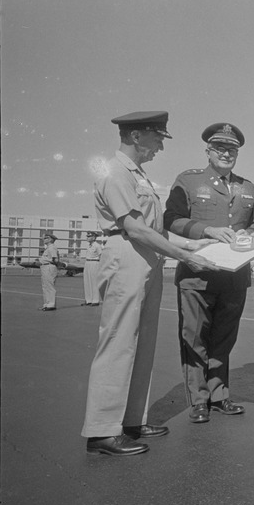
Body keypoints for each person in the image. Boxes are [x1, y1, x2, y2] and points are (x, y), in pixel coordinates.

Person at [82, 111, 217, 457]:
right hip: (127, 255)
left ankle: (131, 421)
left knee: (141, 344)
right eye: (157, 138)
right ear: (136, 136)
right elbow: (136, 228)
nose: (160, 146)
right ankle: (102, 430)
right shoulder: (115, 172)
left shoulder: (136, 175)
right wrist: (184, 257)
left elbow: (153, 230)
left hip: (146, 257)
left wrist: (192, 245)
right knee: (119, 342)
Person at [164, 123, 254, 424]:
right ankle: (199, 400)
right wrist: (207, 230)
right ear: (207, 151)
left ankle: (219, 395)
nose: (226, 153)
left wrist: (248, 234)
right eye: (220, 148)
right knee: (195, 338)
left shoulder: (248, 187)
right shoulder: (188, 180)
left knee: (224, 339)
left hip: (234, 277)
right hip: (197, 275)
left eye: (231, 149)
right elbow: (171, 219)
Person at [38, 233, 59, 311]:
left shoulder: (52, 248)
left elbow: (55, 259)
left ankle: (51, 304)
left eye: (45, 238)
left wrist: (49, 262)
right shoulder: (48, 248)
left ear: (50, 239)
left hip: (49, 267)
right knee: (45, 287)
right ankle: (46, 304)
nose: (44, 240)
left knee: (49, 286)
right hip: (45, 267)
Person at [82, 230, 103, 306]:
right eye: (87, 236)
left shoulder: (97, 246)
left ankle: (95, 300)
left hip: (94, 263)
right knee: (87, 281)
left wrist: (101, 266)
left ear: (94, 237)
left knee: (94, 282)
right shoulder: (88, 245)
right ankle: (88, 300)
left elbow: (101, 256)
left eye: (89, 236)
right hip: (87, 262)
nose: (87, 237)